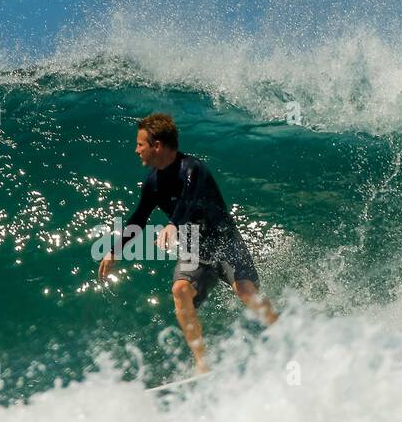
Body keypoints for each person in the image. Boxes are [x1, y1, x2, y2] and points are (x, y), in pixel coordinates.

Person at [97, 113, 278, 373]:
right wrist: (115, 251)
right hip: (194, 244)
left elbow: (189, 200)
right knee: (180, 290)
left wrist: (173, 224)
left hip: (223, 239)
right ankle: (202, 362)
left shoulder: (193, 169)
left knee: (244, 290)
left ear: (157, 145)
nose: (136, 150)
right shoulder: (152, 183)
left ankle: (281, 330)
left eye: (140, 144)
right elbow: (138, 218)